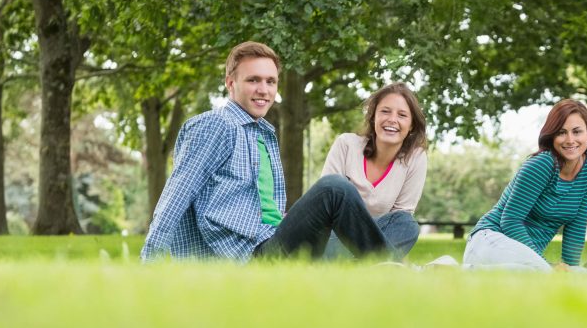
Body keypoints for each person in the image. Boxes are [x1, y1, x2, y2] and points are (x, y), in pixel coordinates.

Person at [140, 42, 409, 262]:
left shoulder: (263, 133)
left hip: (276, 240)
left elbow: (264, 211)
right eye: (253, 80)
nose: (264, 90)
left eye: (271, 81)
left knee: (402, 224)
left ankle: (370, 267)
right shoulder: (217, 125)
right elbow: (176, 196)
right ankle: (392, 268)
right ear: (230, 83)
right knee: (334, 189)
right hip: (250, 259)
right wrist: (149, 260)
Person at [462, 99, 587, 271]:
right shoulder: (542, 164)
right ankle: (447, 270)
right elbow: (510, 221)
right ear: (552, 137)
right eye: (561, 132)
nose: (570, 140)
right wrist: (545, 265)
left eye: (577, 132)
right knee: (541, 272)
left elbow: (577, 225)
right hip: (490, 239)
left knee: (581, 274)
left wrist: (569, 268)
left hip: (526, 256)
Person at [315, 82, 429, 261]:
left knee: (407, 225)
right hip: (335, 236)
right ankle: (380, 264)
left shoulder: (416, 158)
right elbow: (326, 201)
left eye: (402, 115)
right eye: (385, 111)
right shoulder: (346, 144)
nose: (392, 119)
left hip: (382, 233)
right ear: (373, 116)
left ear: (412, 125)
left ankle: (356, 265)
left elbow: (400, 215)